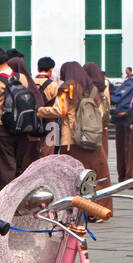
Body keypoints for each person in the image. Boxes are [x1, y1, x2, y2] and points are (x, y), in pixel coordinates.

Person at [38, 62, 113, 210]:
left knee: (73, 177)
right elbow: (102, 113)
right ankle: (100, 209)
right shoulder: (93, 89)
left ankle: (78, 209)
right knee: (98, 174)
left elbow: (59, 110)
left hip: (71, 140)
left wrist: (41, 111)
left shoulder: (67, 88)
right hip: (93, 138)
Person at [0, 47, 30, 191]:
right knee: (20, 161)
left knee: (6, 163)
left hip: (2, 126)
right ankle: (21, 191)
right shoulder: (22, 78)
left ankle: (8, 194)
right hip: (22, 124)